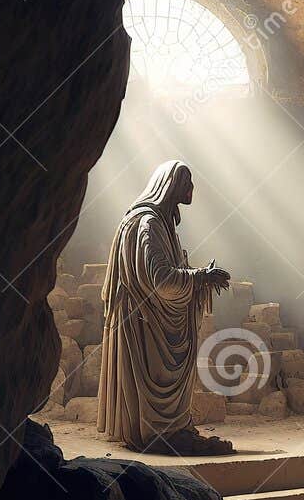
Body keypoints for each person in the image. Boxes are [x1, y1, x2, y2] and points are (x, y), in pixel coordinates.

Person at [95, 160, 233, 455]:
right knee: (158, 374)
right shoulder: (149, 223)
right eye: (187, 182)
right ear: (170, 186)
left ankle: (167, 430)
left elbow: (166, 272)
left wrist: (198, 277)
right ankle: (161, 432)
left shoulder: (159, 222)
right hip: (144, 321)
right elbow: (160, 281)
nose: (192, 188)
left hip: (149, 318)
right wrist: (201, 277)